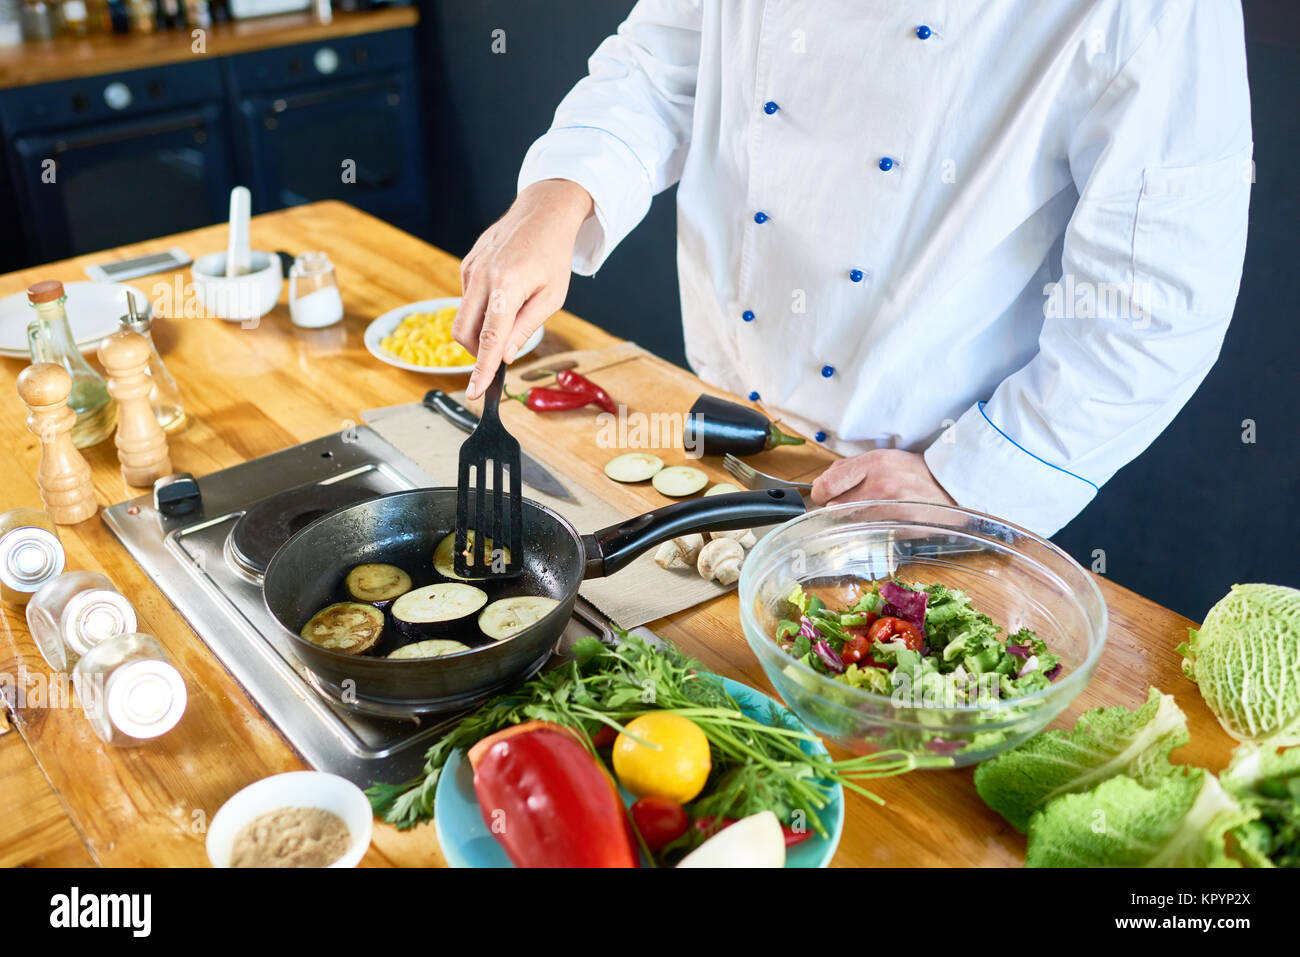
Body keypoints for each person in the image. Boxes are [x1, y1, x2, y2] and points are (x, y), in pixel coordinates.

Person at [452, 0, 1251, 536]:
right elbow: (662, 62)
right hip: (726, 416)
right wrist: (560, 193)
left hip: (926, 483)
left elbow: (1155, 299)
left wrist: (975, 480)